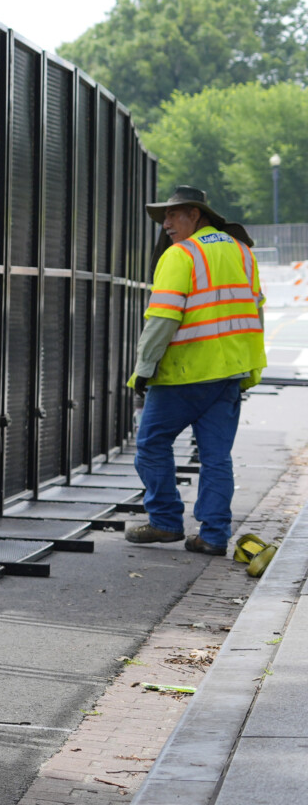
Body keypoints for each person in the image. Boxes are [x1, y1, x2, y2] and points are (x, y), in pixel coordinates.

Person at [125, 186, 266, 555]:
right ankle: (214, 536)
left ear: (196, 215)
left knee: (151, 445)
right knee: (216, 457)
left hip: (183, 375)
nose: (166, 224)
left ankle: (164, 521)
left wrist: (143, 369)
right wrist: (250, 368)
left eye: (174, 214)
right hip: (229, 374)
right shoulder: (242, 251)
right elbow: (255, 311)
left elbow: (162, 319)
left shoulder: (181, 254)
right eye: (164, 217)